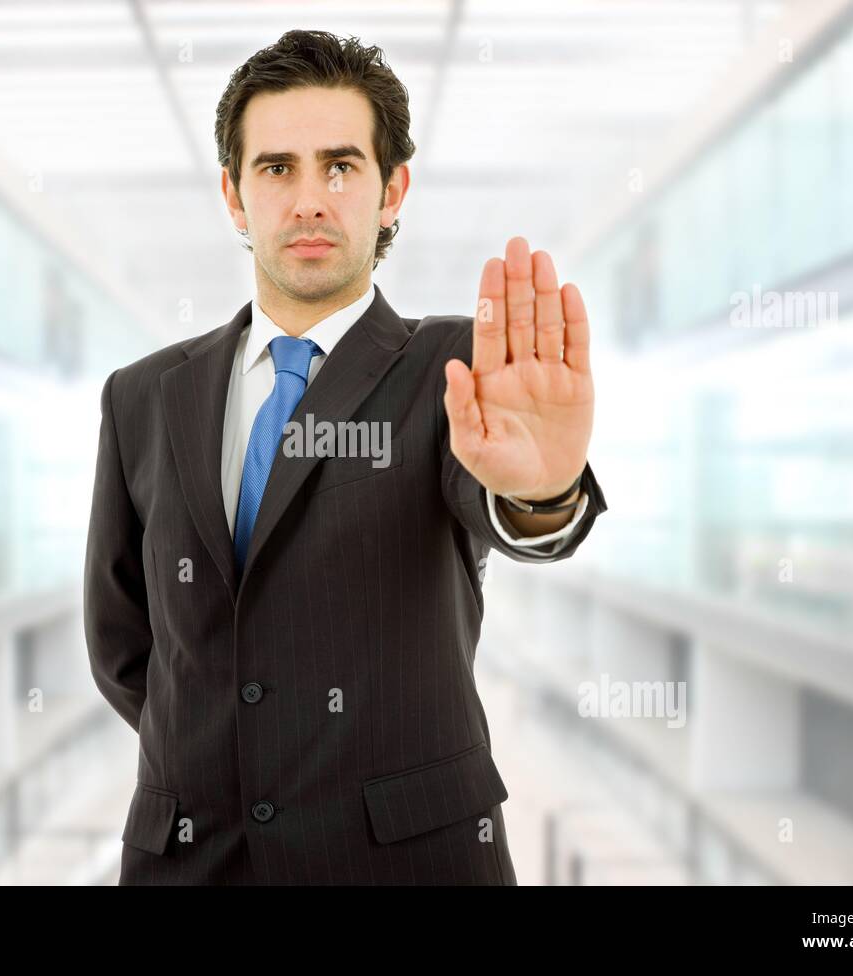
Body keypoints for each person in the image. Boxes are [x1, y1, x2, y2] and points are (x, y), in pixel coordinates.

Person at [84, 28, 607, 885]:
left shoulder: (456, 370)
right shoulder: (142, 396)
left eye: (341, 166)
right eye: (276, 168)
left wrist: (542, 491)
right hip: (190, 858)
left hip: (406, 859)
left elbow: (511, 508)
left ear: (391, 189)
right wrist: (228, 755)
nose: (309, 200)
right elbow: (122, 641)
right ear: (233, 193)